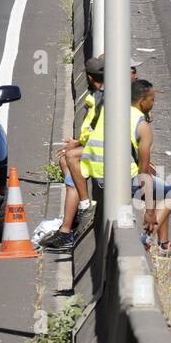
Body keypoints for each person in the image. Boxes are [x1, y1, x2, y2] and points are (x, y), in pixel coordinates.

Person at [43, 56, 105, 253]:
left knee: (69, 159)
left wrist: (77, 143)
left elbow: (96, 130)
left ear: (88, 76)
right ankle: (68, 226)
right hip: (95, 147)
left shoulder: (98, 97)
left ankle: (73, 221)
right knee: (66, 160)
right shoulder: (100, 95)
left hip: (102, 152)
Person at [130, 79, 171, 260]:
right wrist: (149, 211)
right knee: (170, 193)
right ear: (142, 101)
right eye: (152, 99)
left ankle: (164, 245)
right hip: (126, 177)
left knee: (159, 188)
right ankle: (146, 239)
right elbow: (144, 170)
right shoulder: (141, 124)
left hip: (101, 173)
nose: (153, 103)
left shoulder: (118, 112)